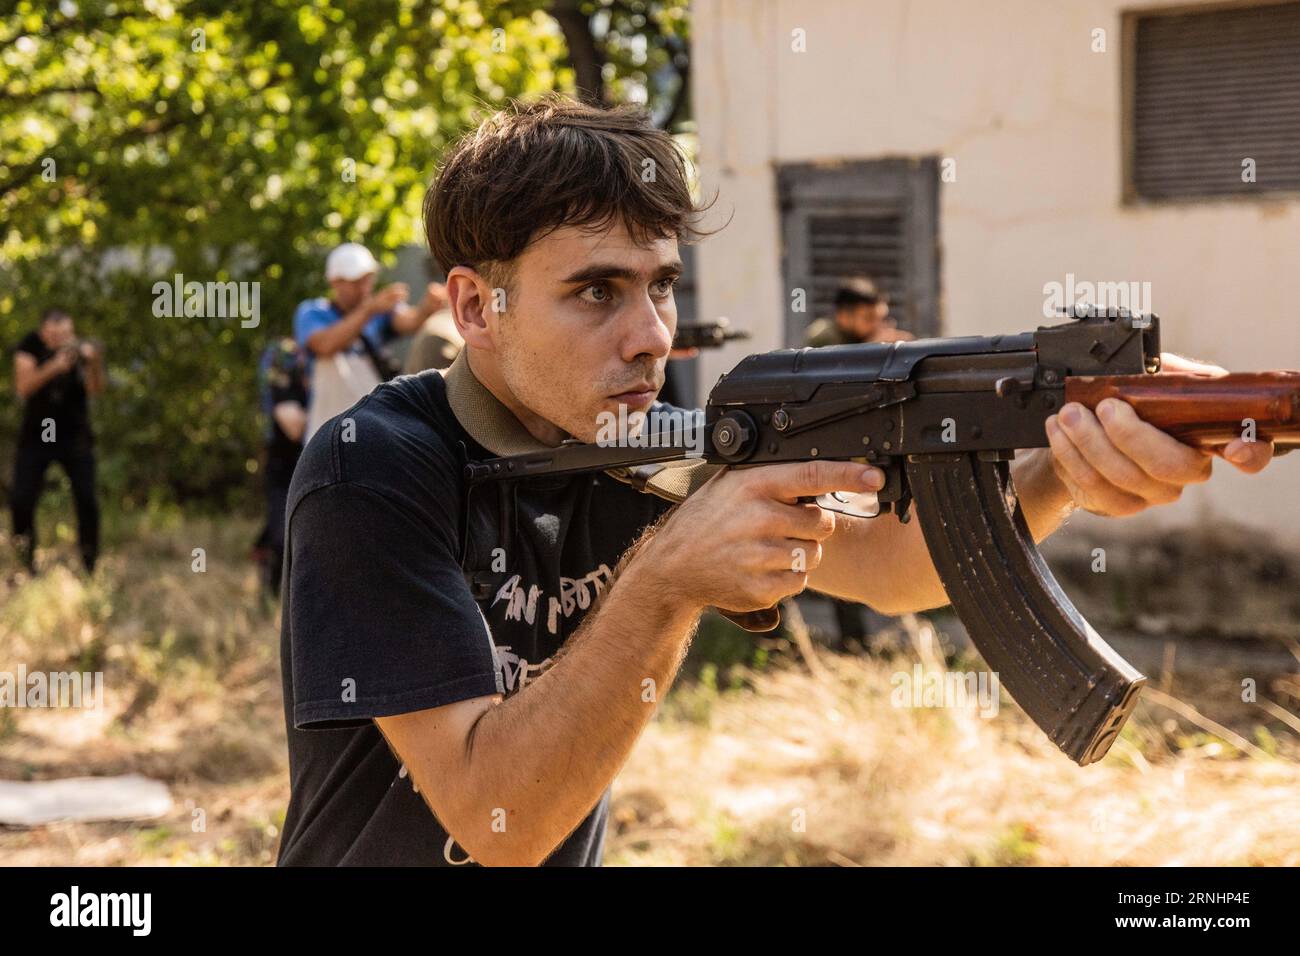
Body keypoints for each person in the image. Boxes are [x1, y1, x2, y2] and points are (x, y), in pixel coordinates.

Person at [275, 94, 1275, 867]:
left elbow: (889, 565)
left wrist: (1062, 465)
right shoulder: (373, 469)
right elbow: (499, 820)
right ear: (474, 307)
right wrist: (666, 582)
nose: (651, 335)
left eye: (662, 285)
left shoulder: (648, 446)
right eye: (596, 291)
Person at [805, 276, 915, 648]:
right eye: (869, 318)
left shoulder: (859, 341)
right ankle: (851, 640)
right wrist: (876, 349)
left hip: (857, 458)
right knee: (834, 543)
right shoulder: (822, 339)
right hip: (824, 462)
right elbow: (835, 376)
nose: (875, 325)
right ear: (844, 316)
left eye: (879, 317)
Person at [293, 243, 448, 444]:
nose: (364, 287)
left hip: (373, 426)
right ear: (335, 282)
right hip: (325, 432)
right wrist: (369, 310)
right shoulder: (313, 312)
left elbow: (409, 321)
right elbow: (324, 345)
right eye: (355, 281)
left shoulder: (378, 311)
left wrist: (426, 308)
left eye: (367, 279)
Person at [9, 308, 104, 575]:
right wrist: (54, 367)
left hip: (74, 436)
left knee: (87, 498)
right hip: (38, 435)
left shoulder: (81, 351)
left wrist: (93, 362)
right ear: (43, 332)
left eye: (65, 334)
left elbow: (96, 389)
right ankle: (25, 563)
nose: (60, 339)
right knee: (22, 499)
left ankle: (90, 565)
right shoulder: (29, 347)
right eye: (54, 335)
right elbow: (23, 387)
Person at [252, 336, 308, 598]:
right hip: (285, 463)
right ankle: (271, 595)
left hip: (313, 462)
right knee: (281, 536)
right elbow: (293, 426)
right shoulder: (283, 355)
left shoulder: (355, 348)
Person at [804, 276, 915, 348]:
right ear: (843, 317)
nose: (878, 325)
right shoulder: (822, 336)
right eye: (869, 318)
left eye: (882, 318)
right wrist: (871, 348)